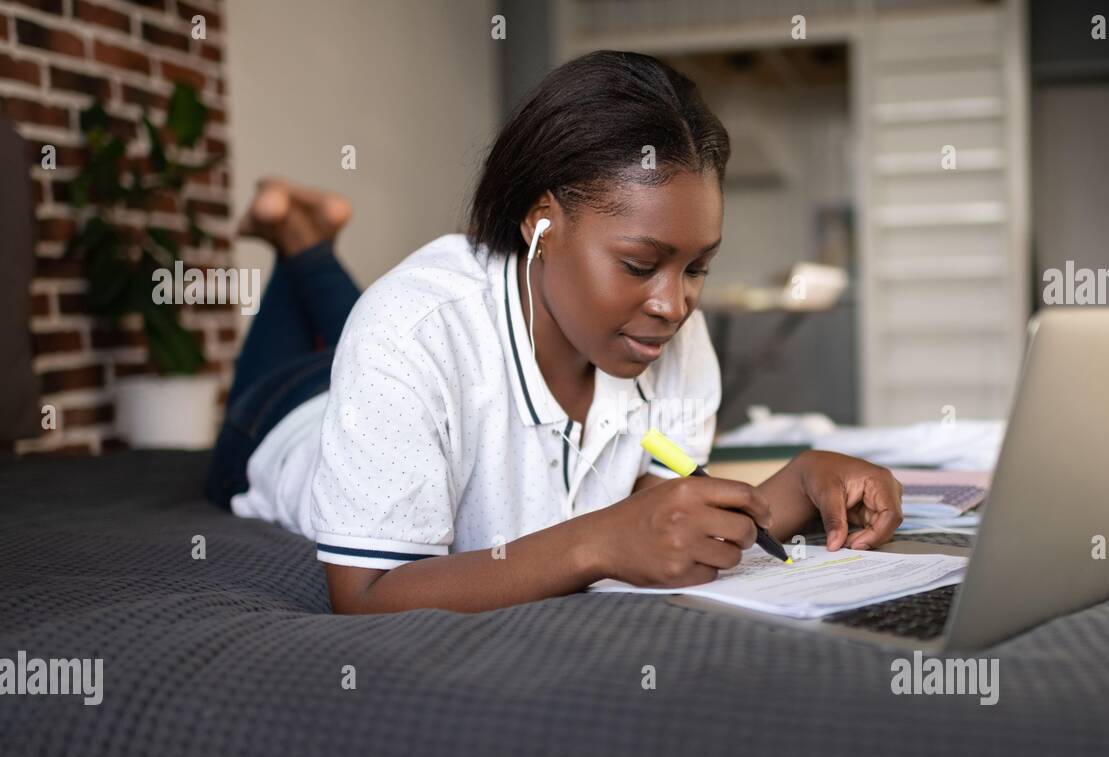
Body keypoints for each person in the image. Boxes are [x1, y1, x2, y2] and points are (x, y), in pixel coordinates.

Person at [206, 50, 903, 614]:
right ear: (542, 222)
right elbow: (366, 595)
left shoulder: (665, 336)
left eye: (698, 268)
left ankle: (302, 233)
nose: (674, 305)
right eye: (640, 263)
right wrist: (593, 544)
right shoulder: (409, 328)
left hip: (396, 373)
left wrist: (803, 481)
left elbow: (663, 515)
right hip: (286, 419)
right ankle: (298, 237)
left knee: (381, 323)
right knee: (368, 333)